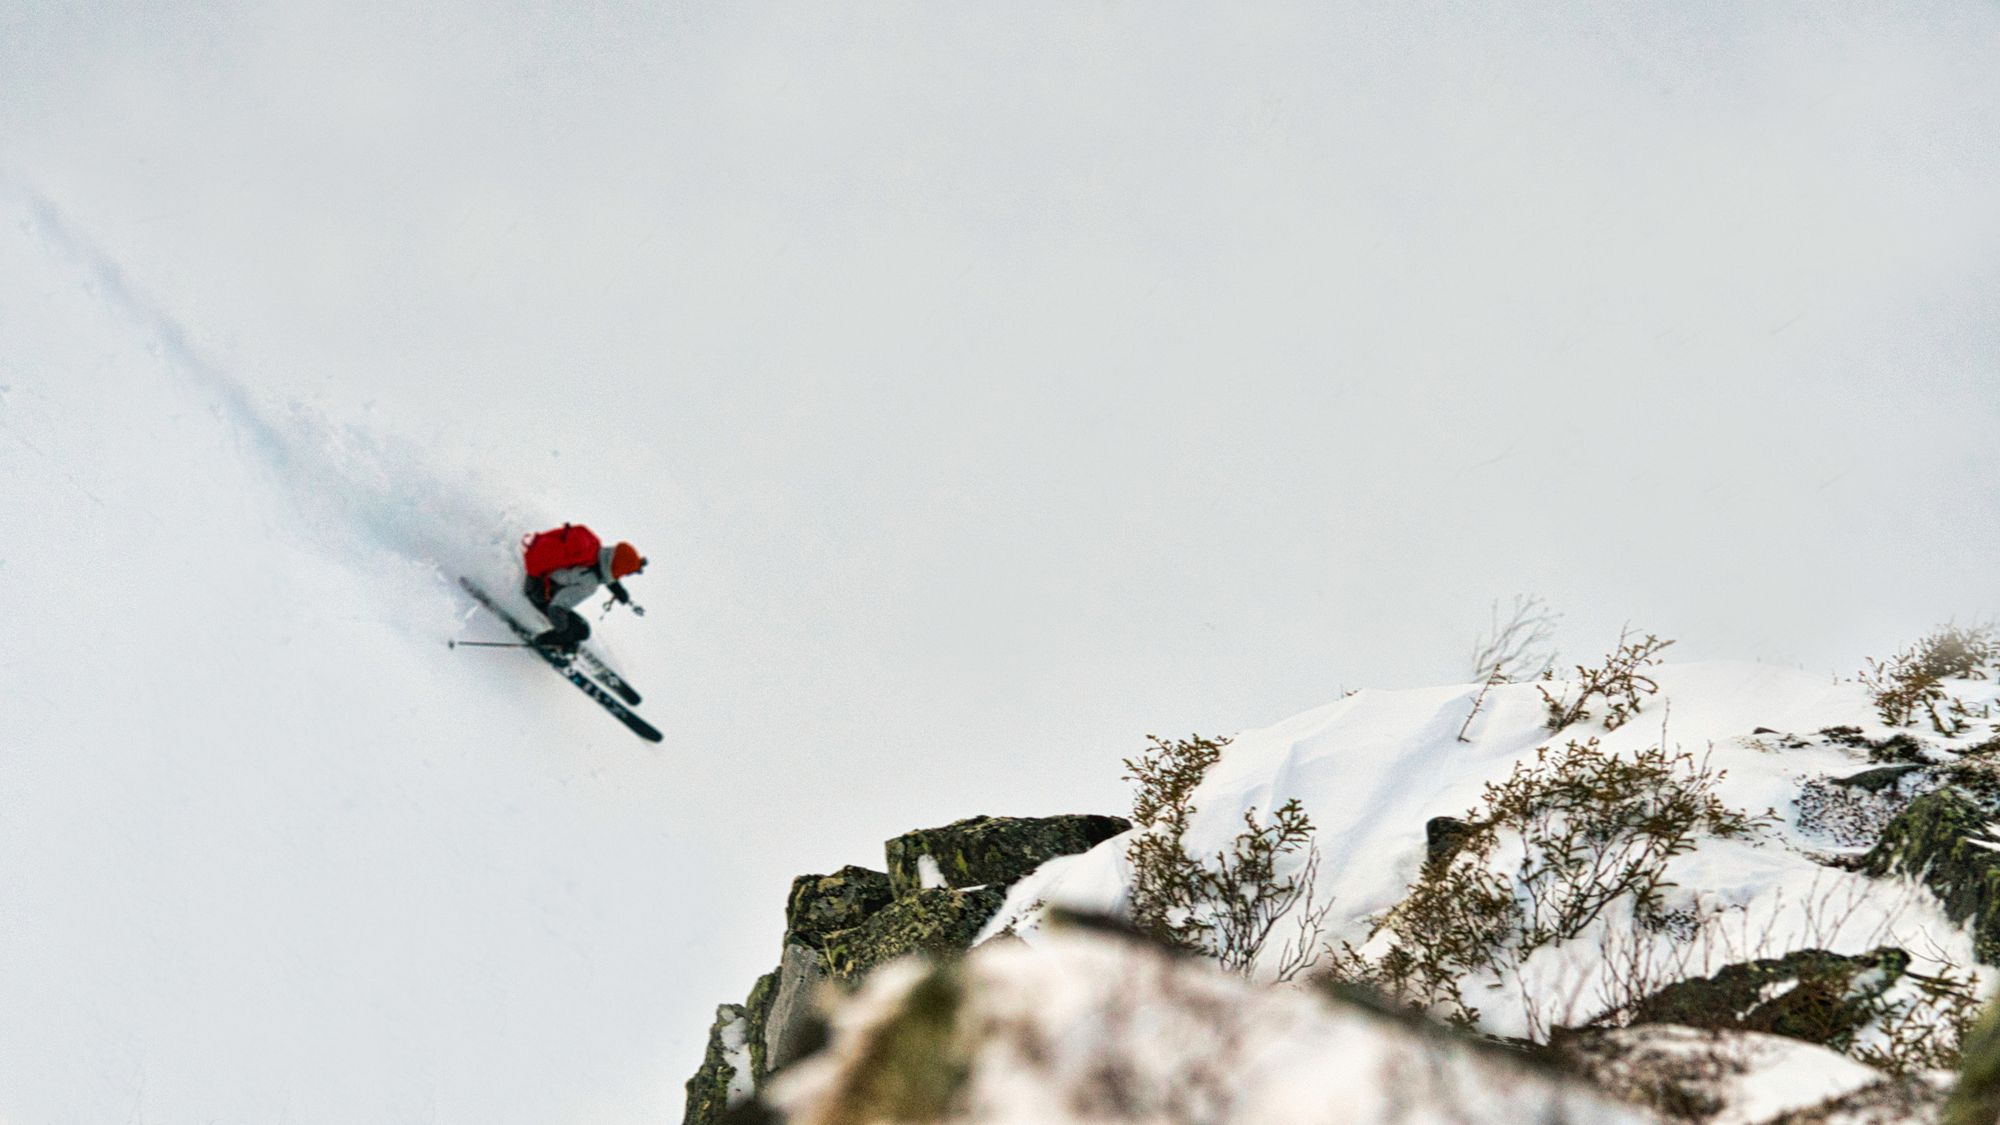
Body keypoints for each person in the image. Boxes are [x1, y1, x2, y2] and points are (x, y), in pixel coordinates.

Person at [522, 529, 646, 655]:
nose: (619, 577)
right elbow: (557, 607)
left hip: (537, 581)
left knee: (575, 630)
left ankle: (562, 642)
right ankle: (541, 642)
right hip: (539, 593)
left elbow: (604, 574)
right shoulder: (589, 582)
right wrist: (563, 634)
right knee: (581, 631)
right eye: (622, 573)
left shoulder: (594, 553)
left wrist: (621, 594)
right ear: (616, 567)